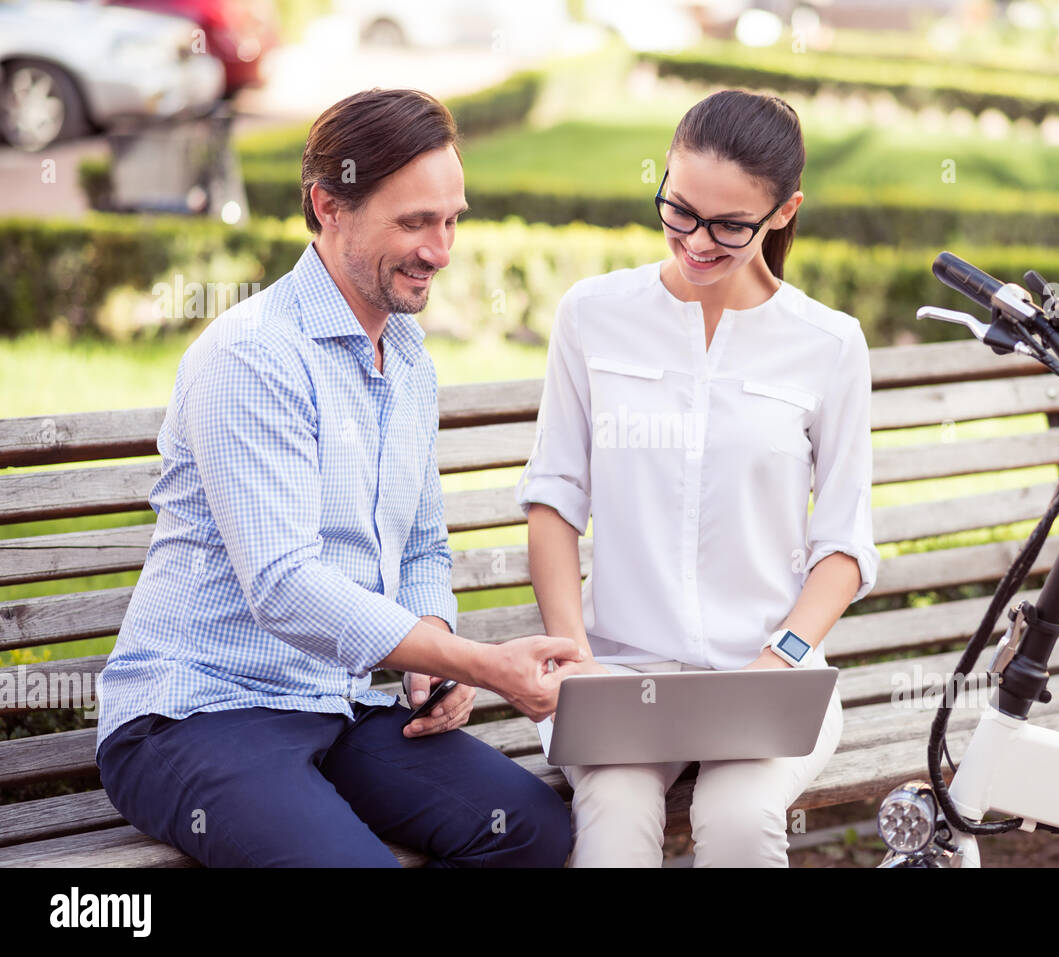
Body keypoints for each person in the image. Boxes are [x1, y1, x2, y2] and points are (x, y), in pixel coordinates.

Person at [94, 88, 586, 868]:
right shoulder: (252, 356)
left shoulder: (410, 361)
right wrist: (480, 663)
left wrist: (434, 648)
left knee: (531, 826)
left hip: (340, 704)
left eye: (452, 219)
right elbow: (285, 583)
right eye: (415, 221)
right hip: (200, 713)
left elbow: (422, 543)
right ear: (329, 205)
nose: (441, 249)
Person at [515, 89, 880, 867]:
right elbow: (552, 500)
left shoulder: (830, 344)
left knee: (741, 818)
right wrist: (576, 659)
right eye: (678, 210)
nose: (697, 241)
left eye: (729, 225)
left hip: (768, 671)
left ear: (784, 213)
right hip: (617, 668)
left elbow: (845, 544)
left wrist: (776, 659)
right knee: (612, 816)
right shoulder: (593, 314)